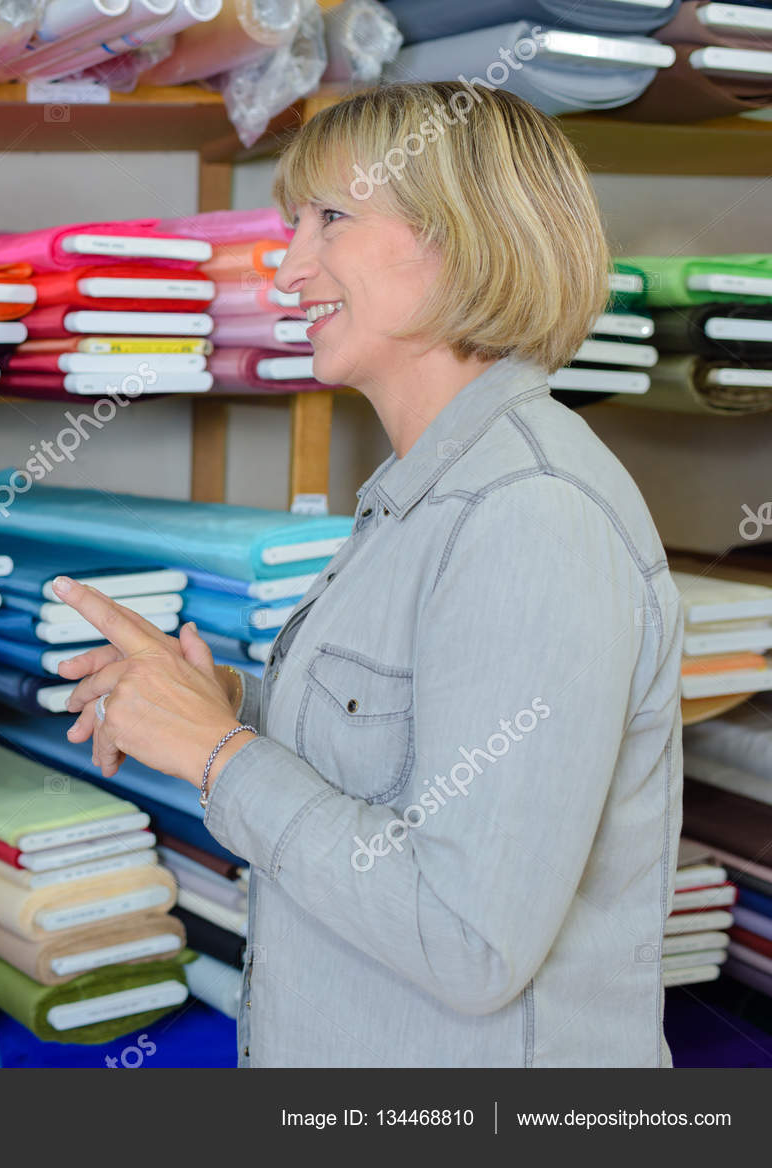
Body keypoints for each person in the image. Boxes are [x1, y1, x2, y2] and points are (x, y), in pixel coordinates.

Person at [56, 82, 683, 1067]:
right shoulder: (428, 487)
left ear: (462, 236)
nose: (287, 264)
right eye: (291, 223)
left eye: (331, 220)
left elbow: (469, 940)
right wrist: (228, 703)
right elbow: (414, 752)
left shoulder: (526, 512)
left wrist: (219, 755)